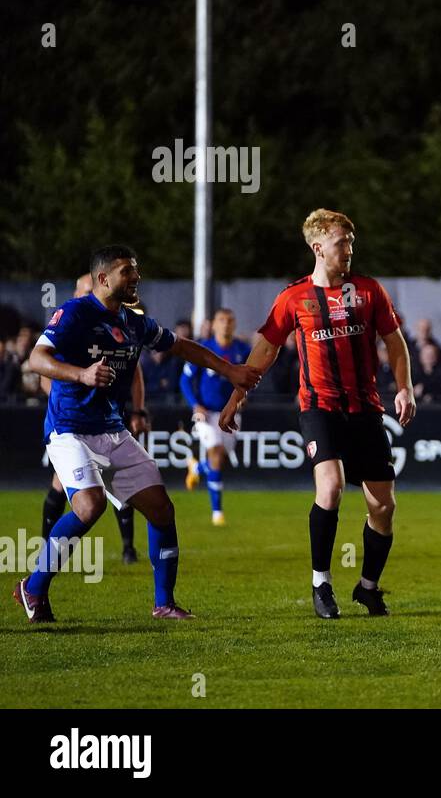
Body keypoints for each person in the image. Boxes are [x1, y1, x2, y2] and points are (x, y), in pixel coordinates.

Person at [16, 245, 260, 623]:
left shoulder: (134, 321)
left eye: (136, 270)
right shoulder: (76, 312)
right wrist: (81, 374)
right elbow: (37, 358)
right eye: (128, 271)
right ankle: (33, 587)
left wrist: (229, 371)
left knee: (162, 509)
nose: (136, 277)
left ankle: (164, 604)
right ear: (103, 279)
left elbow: (181, 347)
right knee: (90, 505)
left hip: (111, 429)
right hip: (69, 429)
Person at [219, 209, 415, 619]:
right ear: (318, 246)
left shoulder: (368, 291)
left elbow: (394, 342)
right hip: (319, 407)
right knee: (330, 488)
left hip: (366, 410)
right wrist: (237, 397)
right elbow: (266, 350)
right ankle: (321, 584)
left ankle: (367, 587)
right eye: (342, 242)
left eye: (351, 243)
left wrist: (405, 388)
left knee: (383, 507)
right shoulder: (294, 297)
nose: (349, 250)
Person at [40, 272, 145, 565]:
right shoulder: (66, 323)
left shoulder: (116, 323)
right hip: (70, 424)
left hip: (109, 422)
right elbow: (42, 371)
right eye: (87, 291)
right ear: (78, 293)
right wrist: (70, 394)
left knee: (124, 487)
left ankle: (128, 549)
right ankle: (45, 552)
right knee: (67, 489)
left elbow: (135, 371)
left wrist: (138, 410)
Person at [183, 308, 252, 526]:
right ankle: (217, 513)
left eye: (230, 320)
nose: (226, 324)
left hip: (230, 412)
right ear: (214, 325)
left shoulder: (243, 350)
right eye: (222, 320)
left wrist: (245, 396)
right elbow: (184, 380)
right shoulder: (204, 349)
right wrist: (196, 405)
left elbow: (251, 379)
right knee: (216, 454)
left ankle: (196, 468)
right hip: (207, 413)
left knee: (220, 459)